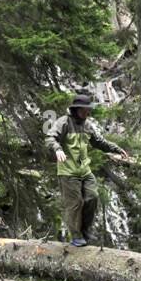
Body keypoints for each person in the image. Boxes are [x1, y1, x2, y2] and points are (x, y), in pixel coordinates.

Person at [45, 92, 129, 246]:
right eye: (85, 110)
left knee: (92, 197)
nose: (87, 112)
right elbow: (50, 138)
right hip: (68, 171)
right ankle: (76, 236)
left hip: (84, 170)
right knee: (75, 203)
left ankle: (84, 232)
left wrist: (116, 149)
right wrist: (57, 149)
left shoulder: (88, 125)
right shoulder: (64, 122)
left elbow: (99, 142)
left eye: (88, 110)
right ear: (76, 109)